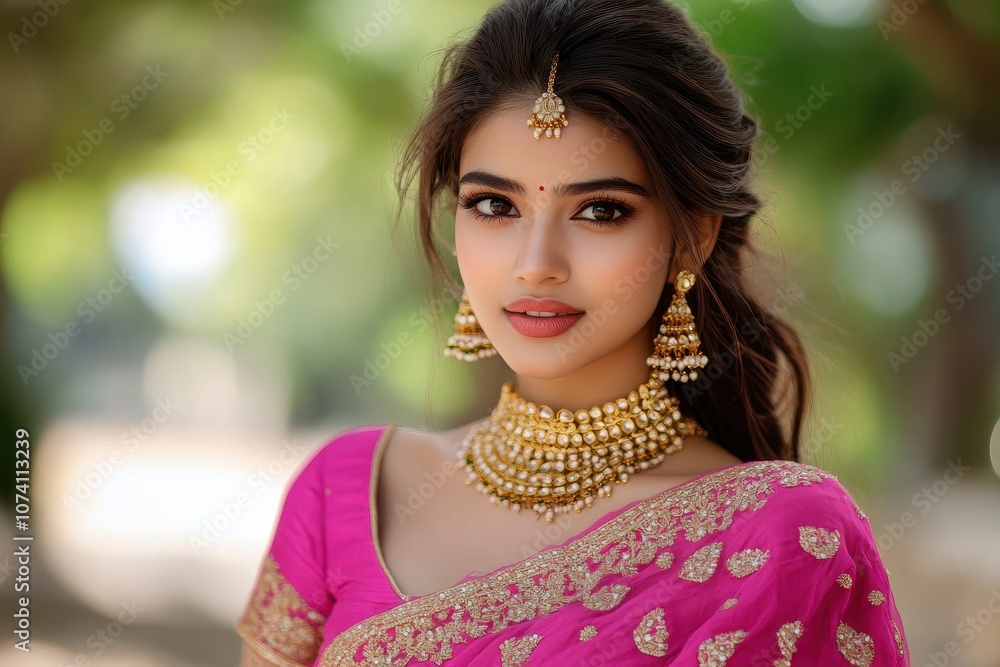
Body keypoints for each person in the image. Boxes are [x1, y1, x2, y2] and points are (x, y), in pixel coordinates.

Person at [236, 0, 912, 665]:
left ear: (692, 237)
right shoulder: (347, 488)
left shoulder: (781, 533)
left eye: (600, 210)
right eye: (494, 205)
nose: (536, 265)